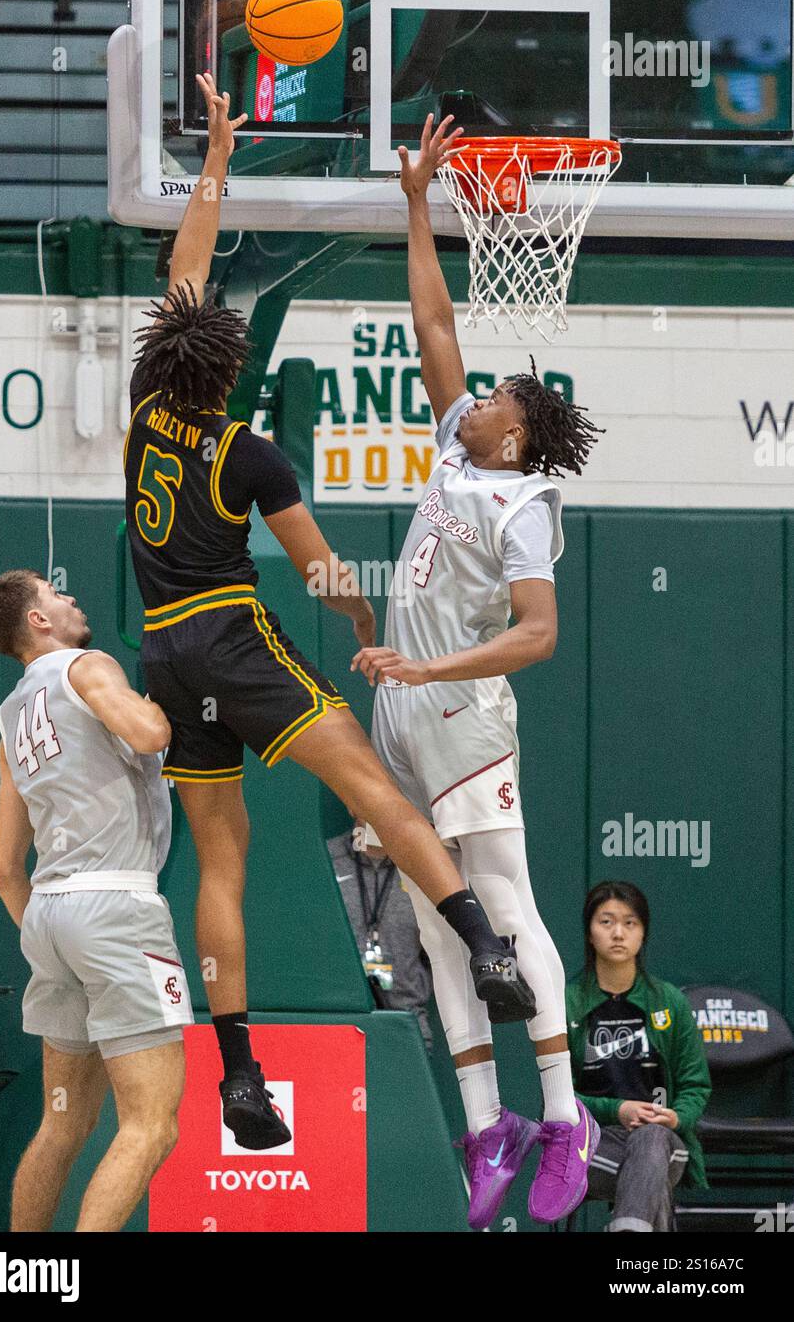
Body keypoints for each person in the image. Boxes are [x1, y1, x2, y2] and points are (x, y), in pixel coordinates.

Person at [123, 74, 530, 1152]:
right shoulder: (250, 452)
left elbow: (186, 270)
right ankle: (482, 942)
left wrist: (212, 161)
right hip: (229, 633)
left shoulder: (145, 407)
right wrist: (360, 629)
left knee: (217, 863)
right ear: (235, 365)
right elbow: (316, 572)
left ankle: (238, 1071)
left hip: (163, 649)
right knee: (367, 779)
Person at [351, 113, 607, 1230]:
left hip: (459, 707)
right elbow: (433, 321)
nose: (480, 390)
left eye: (499, 393)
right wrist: (418, 204)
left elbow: (538, 635)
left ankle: (563, 1115)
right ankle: (487, 1120)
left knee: (503, 906)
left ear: (519, 432)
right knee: (432, 917)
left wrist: (427, 663)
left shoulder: (522, 502)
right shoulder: (463, 442)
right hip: (403, 705)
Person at [0, 570, 193, 1232]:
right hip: (117, 909)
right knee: (152, 1125)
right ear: (38, 621)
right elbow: (150, 735)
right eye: (57, 595)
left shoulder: (11, 714)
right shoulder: (89, 666)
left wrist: (53, 940)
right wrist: (167, 702)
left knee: (63, 1124)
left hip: (48, 915)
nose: (72, 598)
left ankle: (25, 1276)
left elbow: (6, 869)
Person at [567, 881, 710, 1232]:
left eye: (630, 923)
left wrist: (674, 1119)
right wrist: (617, 1110)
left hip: (666, 1141)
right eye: (606, 922)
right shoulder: (566, 1002)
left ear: (643, 933)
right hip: (590, 1147)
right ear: (589, 932)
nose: (618, 933)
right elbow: (556, 1098)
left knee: (650, 1138)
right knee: (648, 1176)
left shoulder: (669, 1001)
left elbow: (696, 1085)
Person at [327, 826, 433, 1050]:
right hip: (339, 1025)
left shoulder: (425, 863)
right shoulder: (326, 860)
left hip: (408, 1026)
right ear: (350, 803)